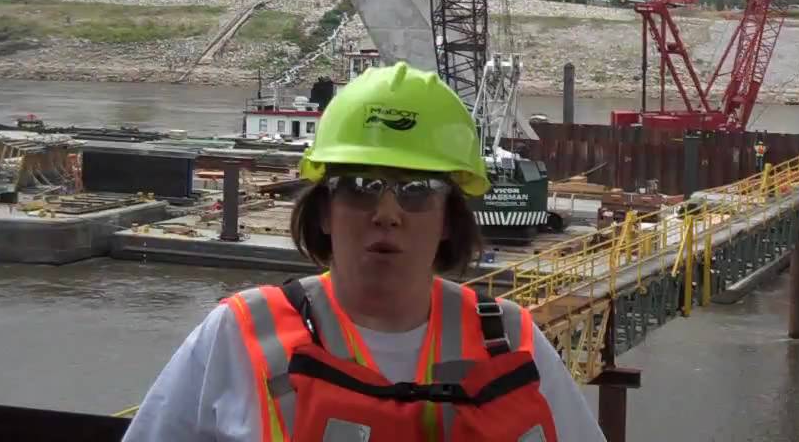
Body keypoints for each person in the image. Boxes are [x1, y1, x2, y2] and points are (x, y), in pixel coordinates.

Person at [123, 63, 605, 442]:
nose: (387, 212)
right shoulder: (238, 337)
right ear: (325, 212)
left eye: (416, 189)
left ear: (447, 219)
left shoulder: (512, 342)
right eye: (360, 186)